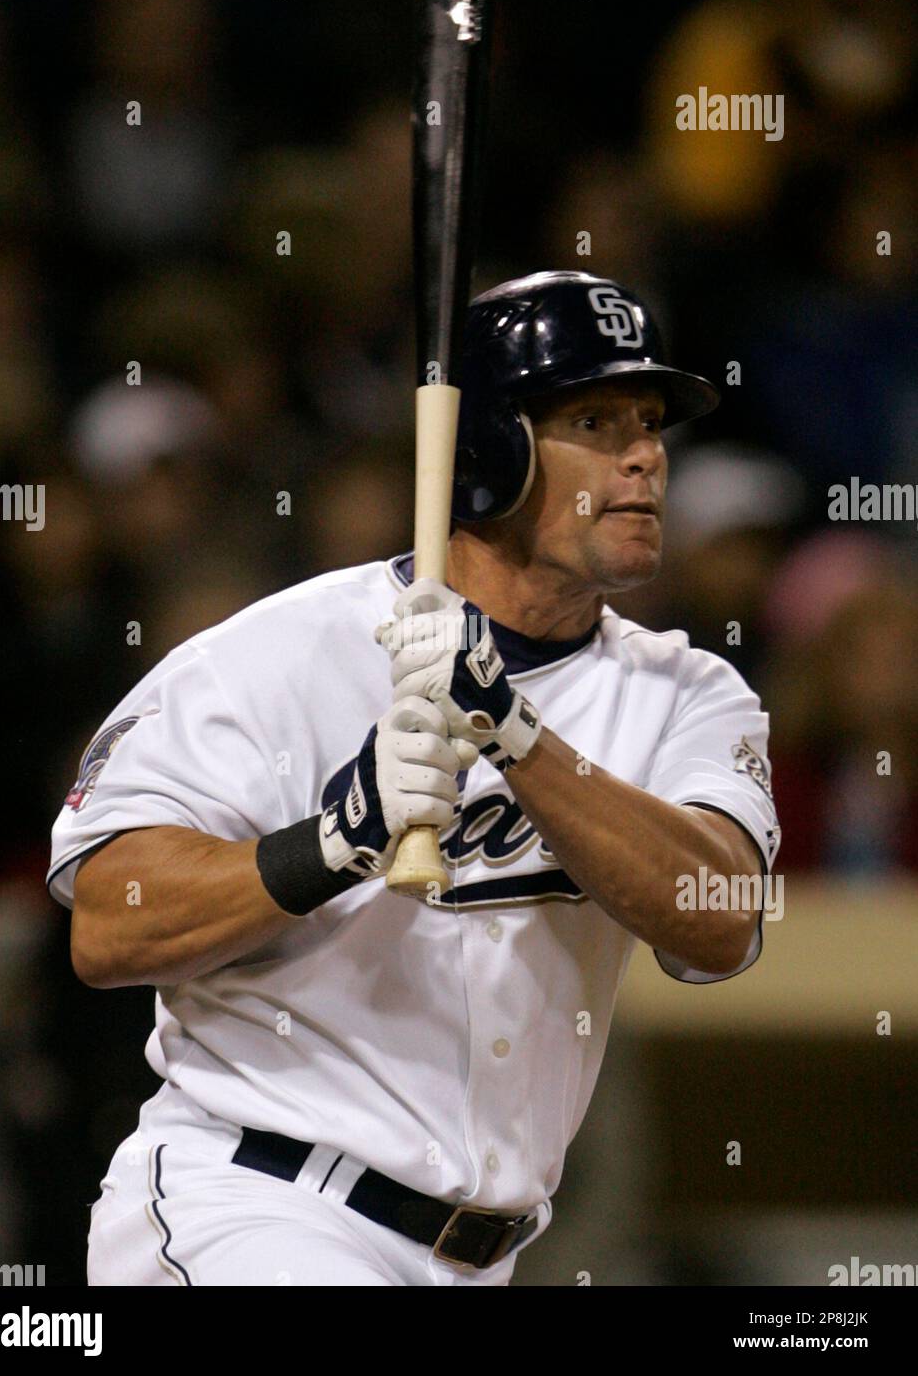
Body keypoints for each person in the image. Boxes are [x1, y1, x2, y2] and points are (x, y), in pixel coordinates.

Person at [48, 271, 780, 1287]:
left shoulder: (686, 693)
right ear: (490, 448)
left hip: (483, 1253)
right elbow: (110, 923)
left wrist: (515, 734)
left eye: (651, 423)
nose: (645, 454)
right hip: (255, 1204)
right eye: (596, 420)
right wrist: (334, 840)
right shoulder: (278, 653)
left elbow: (722, 917)